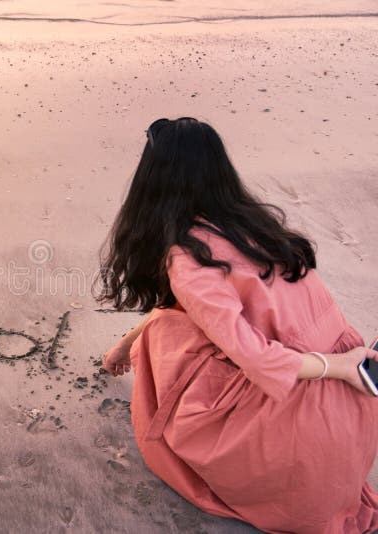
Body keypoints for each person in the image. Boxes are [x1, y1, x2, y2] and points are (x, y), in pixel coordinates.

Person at [94, 116, 378, 533]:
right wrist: (124, 344)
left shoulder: (189, 257)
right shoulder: (253, 225)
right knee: (179, 322)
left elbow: (257, 358)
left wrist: (338, 366)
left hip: (300, 440)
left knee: (163, 332)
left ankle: (183, 435)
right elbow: (191, 308)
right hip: (352, 424)